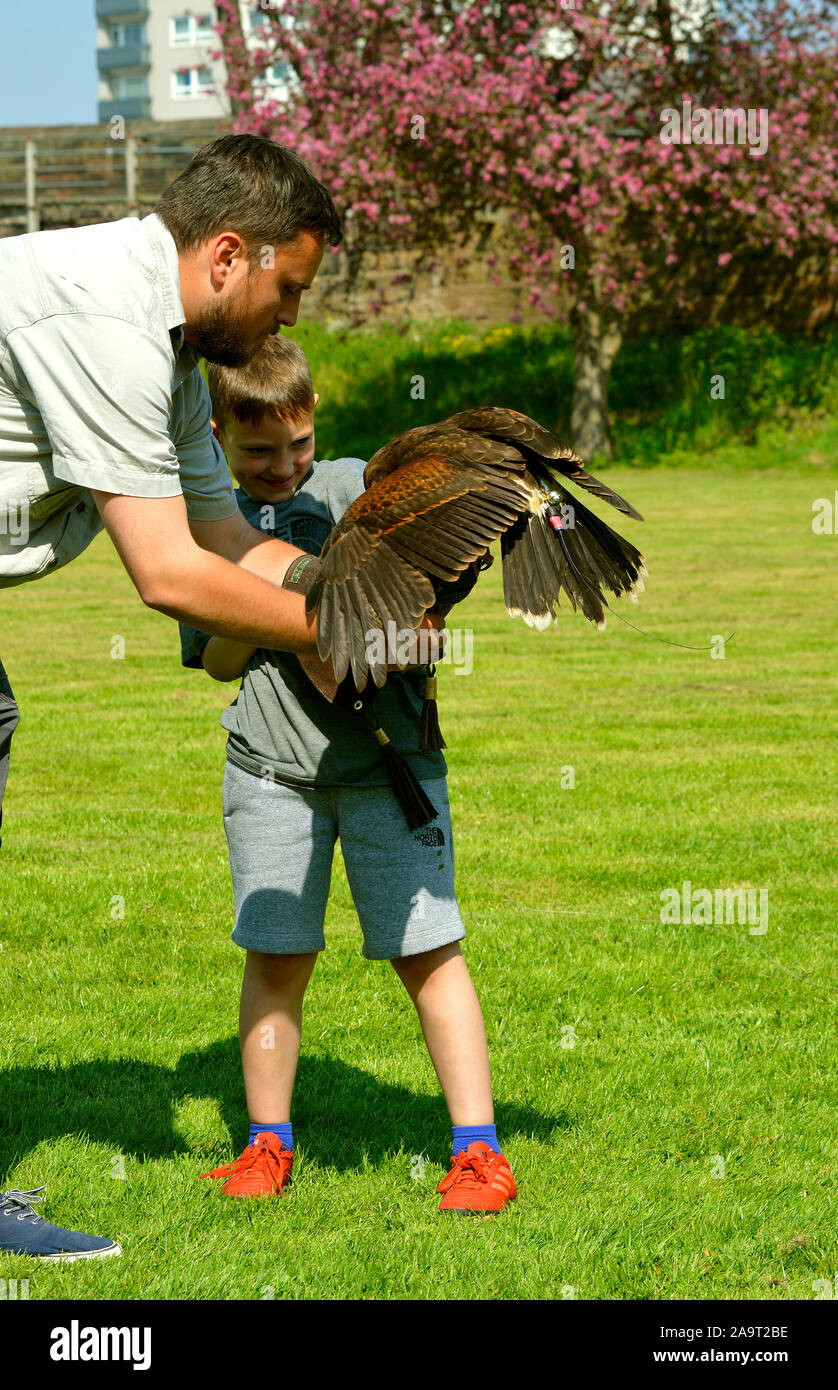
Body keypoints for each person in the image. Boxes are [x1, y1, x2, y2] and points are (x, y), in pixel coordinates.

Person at [0, 134, 354, 1260]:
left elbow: (226, 536)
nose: (288, 319)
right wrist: (345, 634)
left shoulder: (168, 350)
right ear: (228, 254)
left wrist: (364, 594)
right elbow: (167, 574)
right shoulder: (105, 319)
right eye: (286, 288)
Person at [181, 334, 517, 1215]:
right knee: (277, 956)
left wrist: (382, 628)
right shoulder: (208, 521)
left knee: (430, 953)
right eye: (256, 452)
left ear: (313, 419)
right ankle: (266, 1146)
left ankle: (478, 1152)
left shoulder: (358, 488)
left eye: (295, 445)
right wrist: (291, 613)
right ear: (216, 434)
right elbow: (215, 660)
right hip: (271, 774)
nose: (282, 467)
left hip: (389, 767)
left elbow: (430, 624)